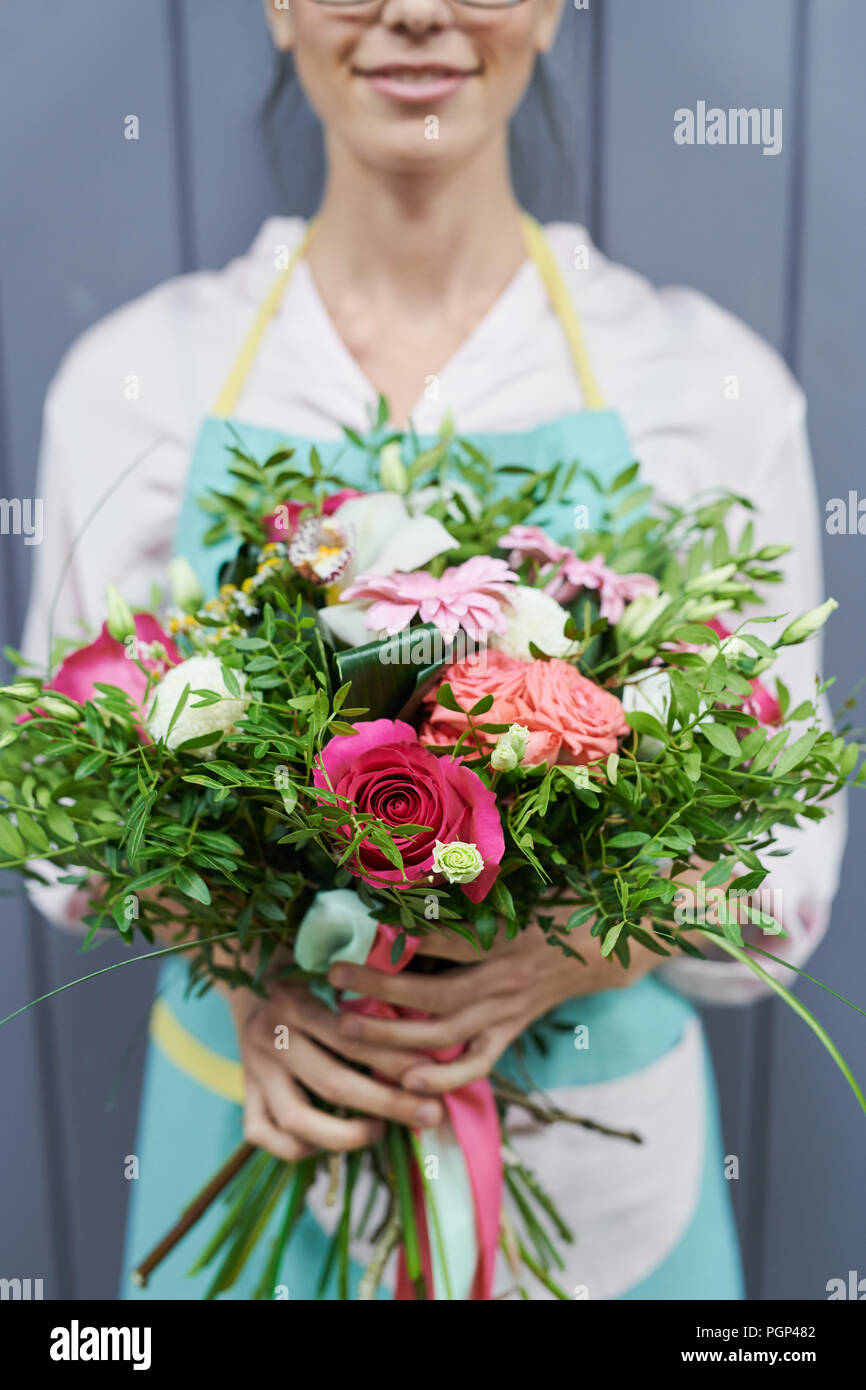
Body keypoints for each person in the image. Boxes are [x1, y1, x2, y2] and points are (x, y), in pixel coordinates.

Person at [22, 0, 845, 1300]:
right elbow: (64, 833)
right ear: (277, 7)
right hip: (243, 1144)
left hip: (596, 1200)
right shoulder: (136, 379)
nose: (415, 10)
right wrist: (247, 975)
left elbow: (783, 883)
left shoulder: (698, 381)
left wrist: (575, 944)